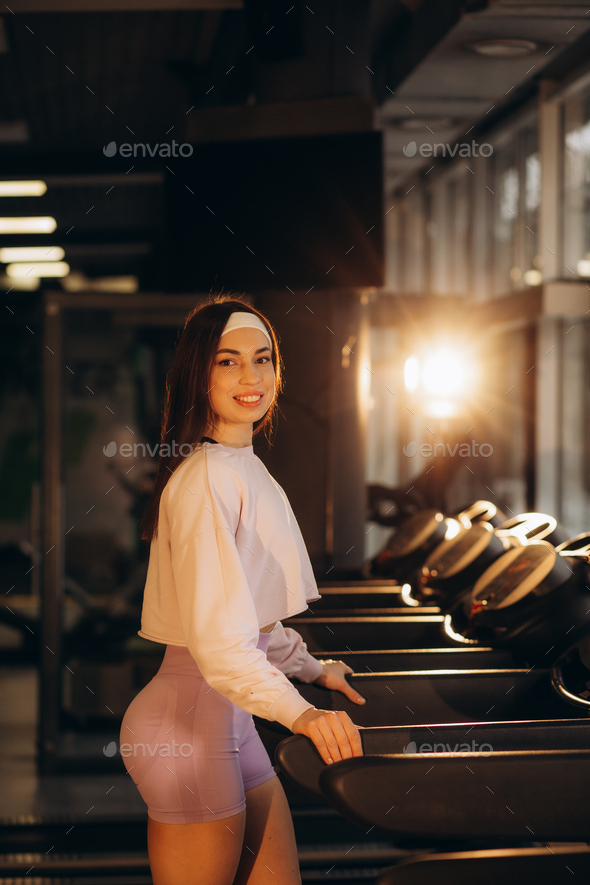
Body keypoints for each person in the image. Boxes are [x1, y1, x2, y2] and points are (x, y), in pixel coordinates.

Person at [120, 297, 365, 885]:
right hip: (186, 729)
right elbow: (218, 644)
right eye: (228, 362)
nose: (250, 377)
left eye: (263, 359)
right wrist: (301, 714)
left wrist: (311, 668)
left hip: (227, 724)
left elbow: (247, 619)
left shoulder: (239, 465)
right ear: (197, 374)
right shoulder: (206, 478)